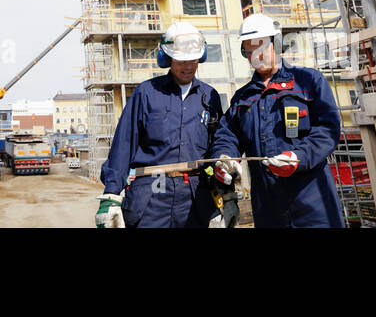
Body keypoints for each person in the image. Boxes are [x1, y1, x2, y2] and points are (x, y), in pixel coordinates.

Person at [212, 13, 345, 228]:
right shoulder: (242, 98)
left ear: (277, 43)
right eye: (249, 50)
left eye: (261, 48)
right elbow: (227, 136)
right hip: (269, 209)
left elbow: (328, 131)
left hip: (314, 204)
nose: (256, 56)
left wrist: (298, 157)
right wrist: (226, 156)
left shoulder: (308, 81)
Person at [95, 22, 227, 228]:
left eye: (193, 60)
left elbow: (219, 146)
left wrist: (226, 195)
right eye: (182, 61)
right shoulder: (146, 93)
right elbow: (124, 144)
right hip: (152, 195)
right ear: (167, 58)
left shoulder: (209, 97)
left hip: (195, 197)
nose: (189, 66)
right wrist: (111, 194)